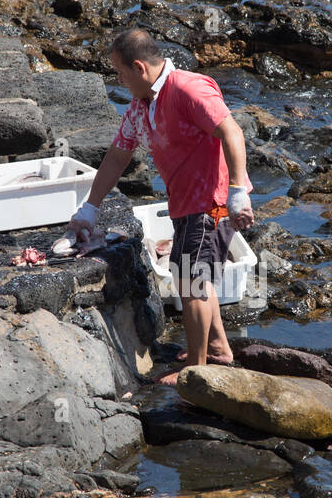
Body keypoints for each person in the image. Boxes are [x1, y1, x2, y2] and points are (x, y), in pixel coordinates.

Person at [67, 28, 253, 384]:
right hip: (184, 201)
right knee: (194, 271)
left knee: (191, 276)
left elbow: (232, 132)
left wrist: (237, 191)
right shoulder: (141, 105)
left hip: (213, 200)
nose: (119, 82)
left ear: (139, 68)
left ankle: (196, 370)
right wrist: (90, 206)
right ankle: (218, 349)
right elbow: (117, 156)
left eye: (120, 74)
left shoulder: (187, 89)